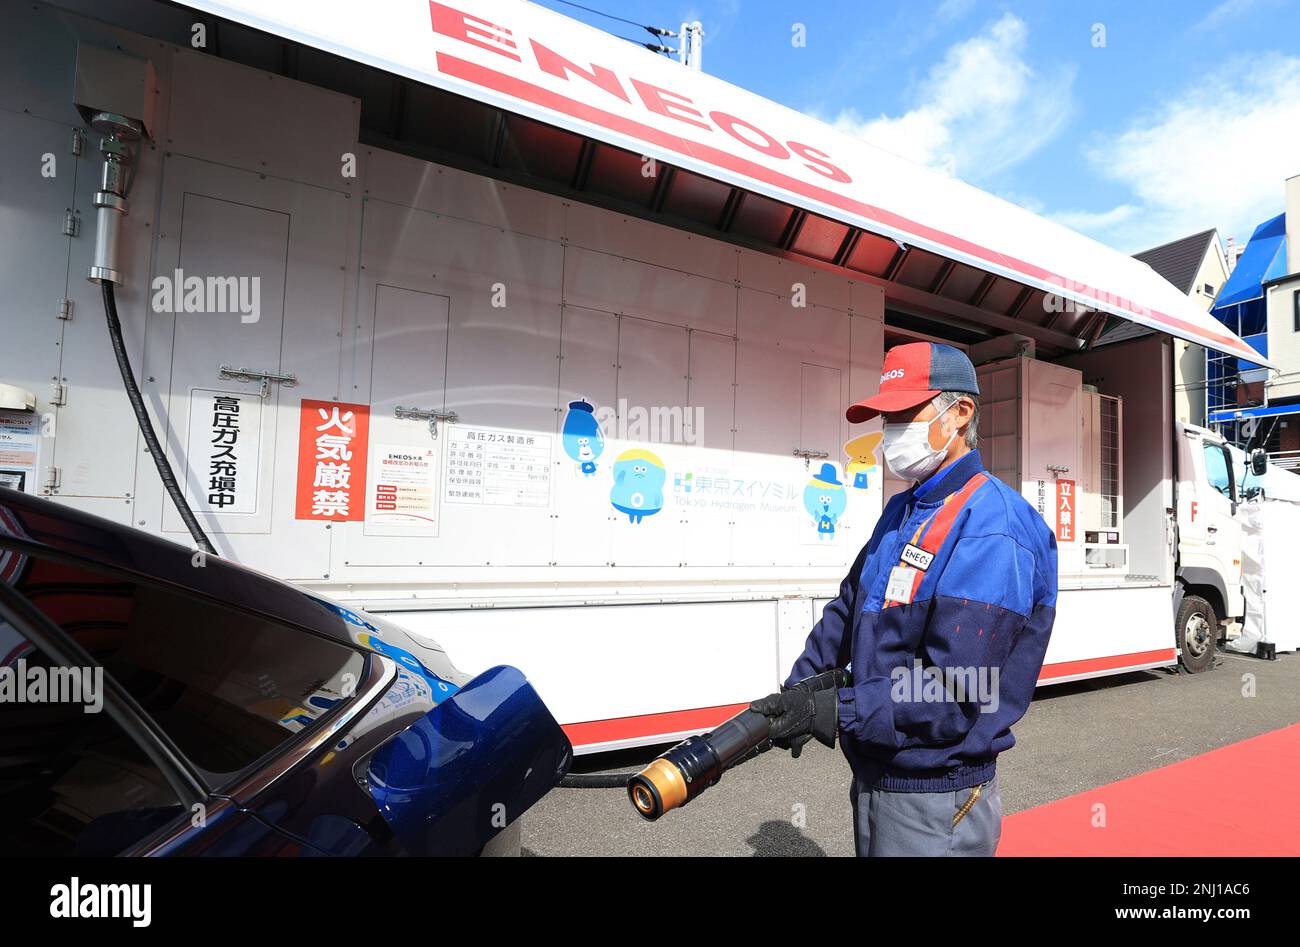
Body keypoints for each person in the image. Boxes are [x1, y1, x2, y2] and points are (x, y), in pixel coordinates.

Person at [750, 341, 1058, 856]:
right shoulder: (902, 509)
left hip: (938, 794)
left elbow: (959, 687)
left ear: (960, 414)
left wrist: (840, 710)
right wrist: (799, 693)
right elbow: (849, 609)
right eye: (885, 417)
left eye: (903, 413)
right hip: (877, 773)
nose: (891, 431)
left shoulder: (993, 526)